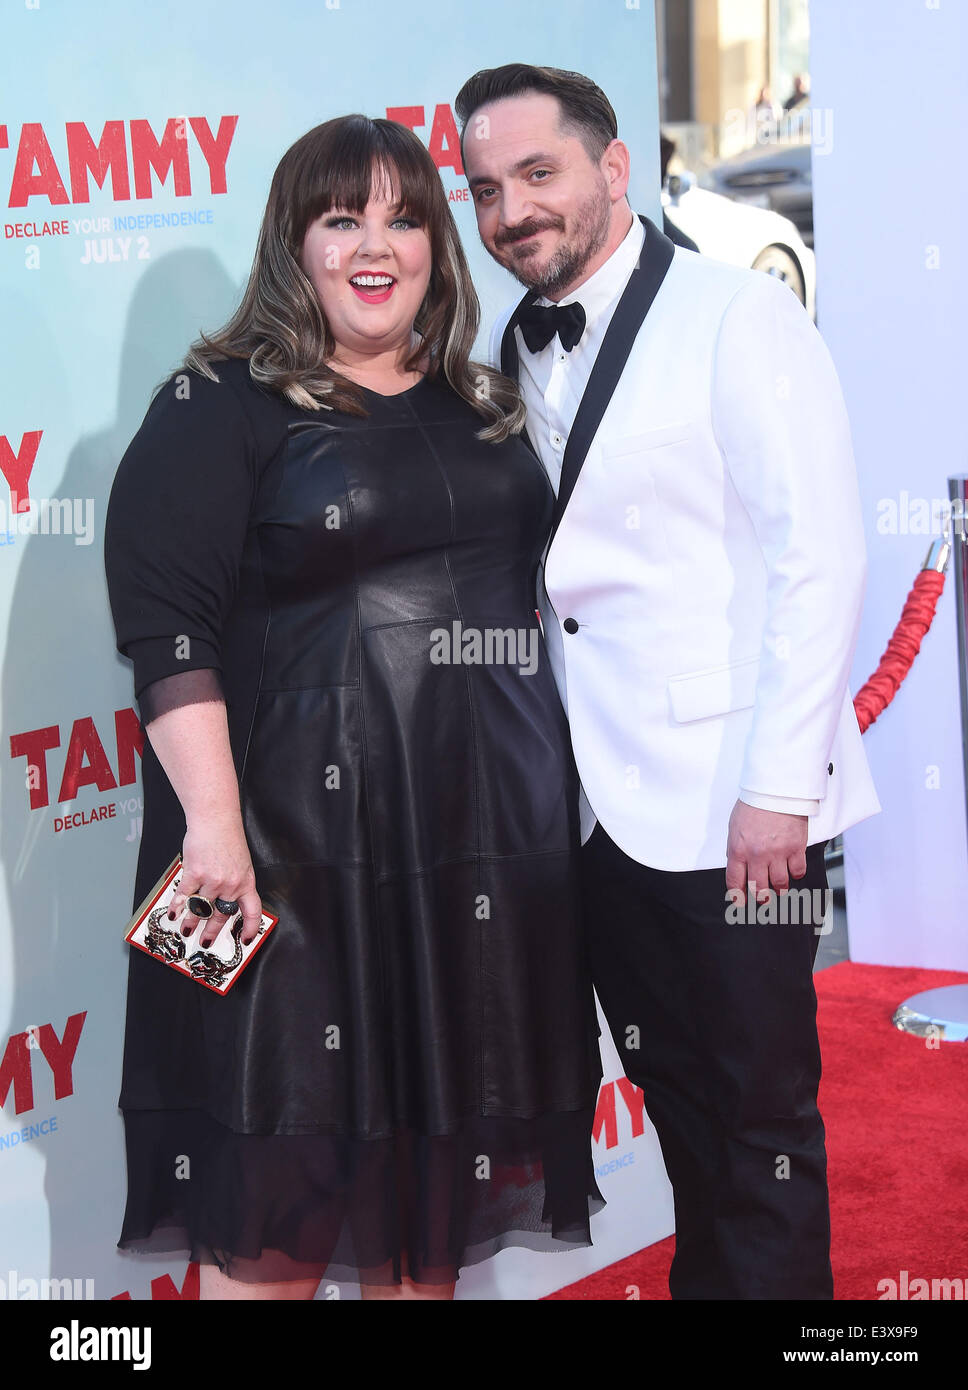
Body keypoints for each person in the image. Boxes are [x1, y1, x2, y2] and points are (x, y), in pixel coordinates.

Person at [102, 113, 604, 1302]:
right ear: (294, 240)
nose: (374, 244)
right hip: (272, 868)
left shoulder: (481, 401)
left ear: (438, 241)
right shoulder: (218, 400)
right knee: (264, 1212)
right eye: (342, 218)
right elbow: (163, 630)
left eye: (405, 216)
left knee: (419, 1231)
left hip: (464, 874)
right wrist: (215, 836)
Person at [455, 62, 880, 1299]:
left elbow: (823, 557)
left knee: (760, 1138)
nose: (511, 211)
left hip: (732, 816)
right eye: (486, 189)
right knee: (687, 1129)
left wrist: (775, 792)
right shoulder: (502, 347)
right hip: (595, 821)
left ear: (611, 167)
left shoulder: (735, 315)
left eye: (538, 175)